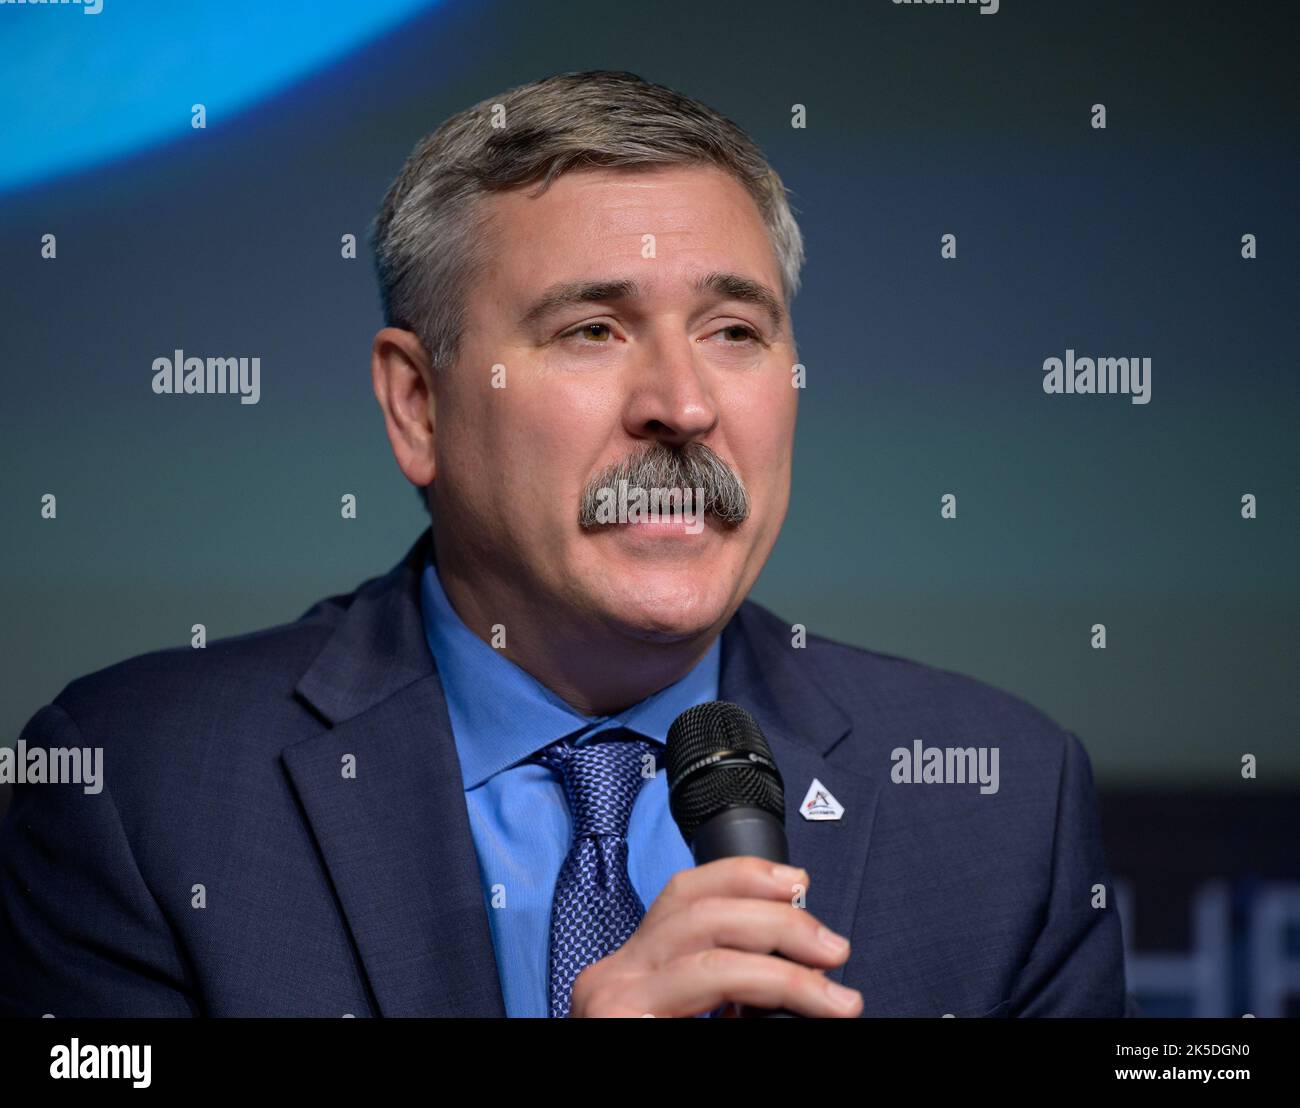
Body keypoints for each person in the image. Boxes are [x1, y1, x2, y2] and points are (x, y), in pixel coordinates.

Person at [0, 70, 1129, 1018]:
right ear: (418, 406)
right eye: (591, 330)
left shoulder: (1000, 806)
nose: (682, 406)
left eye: (734, 331)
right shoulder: (141, 790)